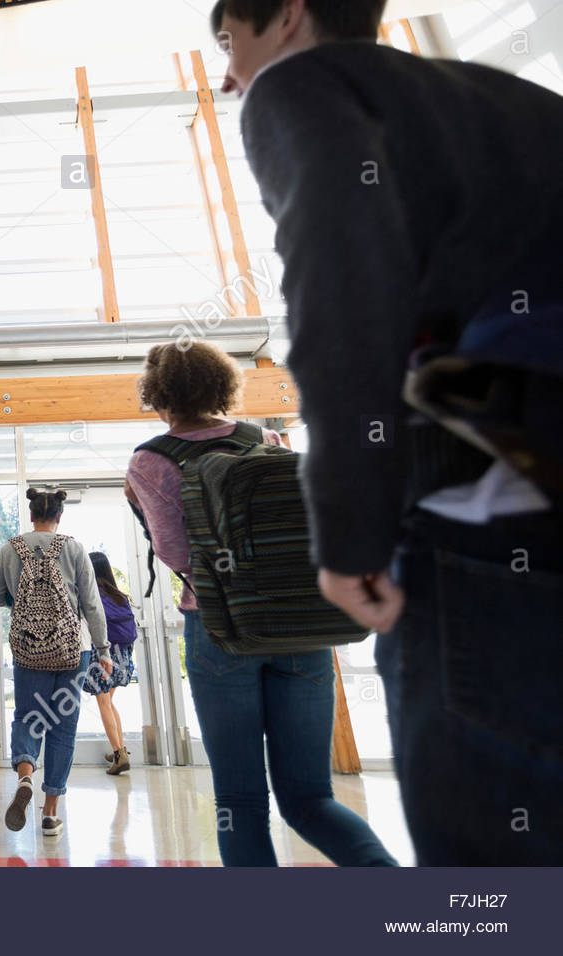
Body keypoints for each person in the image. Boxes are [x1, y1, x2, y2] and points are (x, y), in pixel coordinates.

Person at [210, 0, 563, 864]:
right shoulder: (505, 102)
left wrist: (349, 536)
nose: (227, 75)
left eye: (229, 41)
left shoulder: (301, 85)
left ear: (289, 16)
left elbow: (341, 285)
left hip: (497, 530)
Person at [126, 340, 397, 867]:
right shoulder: (266, 438)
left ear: (158, 395)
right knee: (311, 798)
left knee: (241, 802)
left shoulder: (151, 459)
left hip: (219, 627)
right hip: (299, 624)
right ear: (221, 386)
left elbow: (180, 553)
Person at [0, 488, 112, 838]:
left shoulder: (12, 548)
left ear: (31, 516)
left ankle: (26, 774)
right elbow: (91, 604)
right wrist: (103, 651)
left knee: (29, 716)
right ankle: (50, 812)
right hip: (73, 649)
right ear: (59, 516)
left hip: (28, 650)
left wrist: (21, 605)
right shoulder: (73, 547)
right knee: (63, 727)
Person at [83, 551, 137, 776]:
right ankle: (120, 749)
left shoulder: (93, 596)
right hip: (122, 655)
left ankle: (118, 754)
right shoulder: (119, 596)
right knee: (109, 704)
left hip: (102, 658)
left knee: (104, 704)